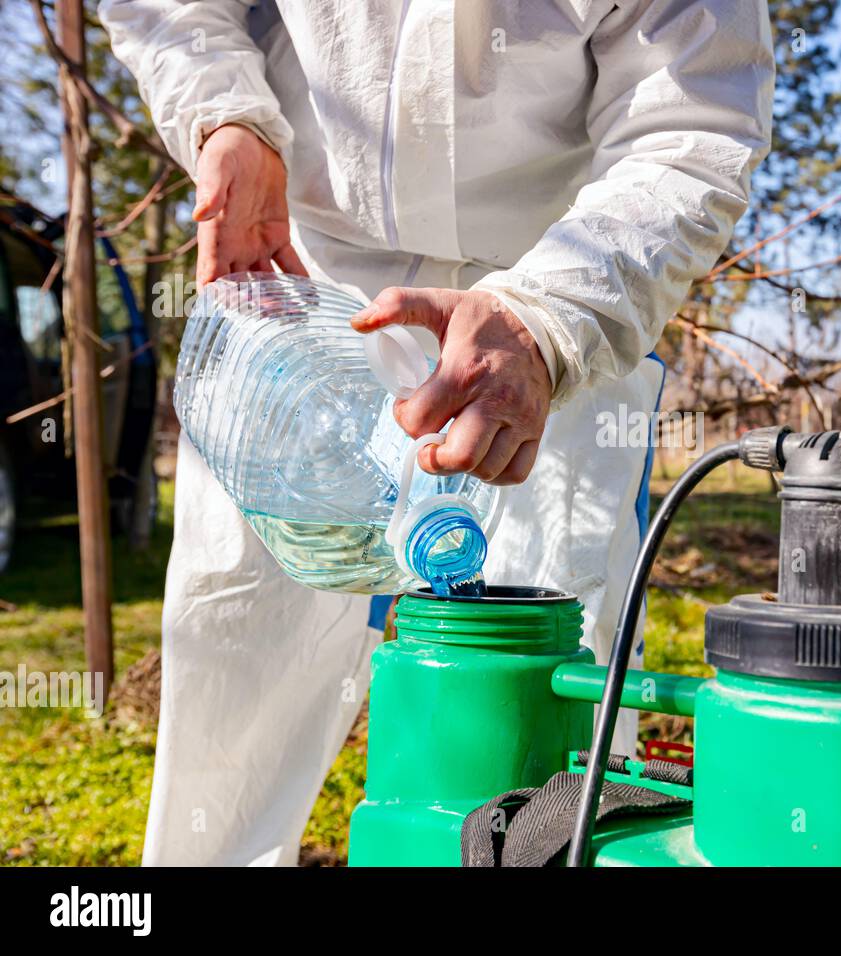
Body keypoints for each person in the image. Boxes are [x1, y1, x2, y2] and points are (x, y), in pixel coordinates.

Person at [102, 0, 773, 866]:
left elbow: (692, 117)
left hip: (548, 302)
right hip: (306, 299)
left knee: (543, 724)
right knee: (234, 684)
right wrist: (227, 116)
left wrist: (548, 320)